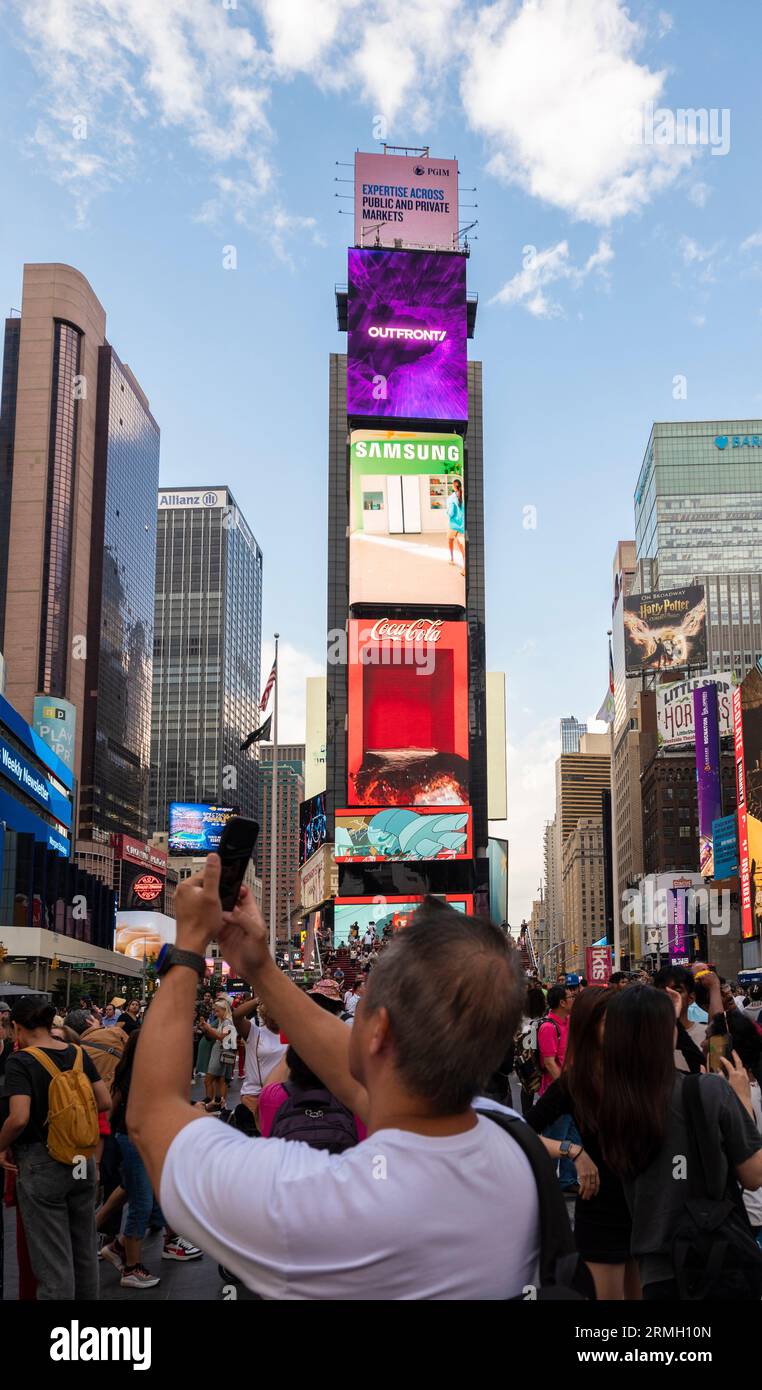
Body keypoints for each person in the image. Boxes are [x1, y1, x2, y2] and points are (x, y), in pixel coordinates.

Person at [127, 856, 544, 1299]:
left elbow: (152, 1116)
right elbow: (349, 1076)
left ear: (378, 1031)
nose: (345, 1024)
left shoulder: (318, 1201)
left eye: (358, 1010)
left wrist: (189, 943)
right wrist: (261, 969)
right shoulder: (513, 1148)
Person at [596, 985, 762, 1299]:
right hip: (714, 1260)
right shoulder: (709, 1091)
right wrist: (741, 1101)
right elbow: (754, 1174)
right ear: (665, 1034)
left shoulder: (612, 1106)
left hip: (656, 1273)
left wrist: (658, 1017)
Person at [527, 987, 639, 1300]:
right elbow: (520, 1132)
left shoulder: (641, 1074)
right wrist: (572, 1151)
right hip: (602, 1210)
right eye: (609, 1022)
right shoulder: (575, 1083)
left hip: (647, 1208)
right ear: (589, 1029)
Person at [0, 994, 111, 1300]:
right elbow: (104, 1101)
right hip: (81, 1160)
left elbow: (19, 1117)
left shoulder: (21, 1060)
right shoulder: (77, 1053)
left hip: (42, 1161)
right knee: (84, 1251)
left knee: (52, 1261)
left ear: (17, 1027)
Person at [101, 1032, 202, 1287]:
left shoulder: (136, 1071)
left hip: (139, 1139)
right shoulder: (143, 1073)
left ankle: (116, 1246)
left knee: (134, 1190)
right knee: (142, 1203)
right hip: (137, 1140)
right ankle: (131, 1269)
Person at [233, 996, 287, 1127]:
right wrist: (262, 997)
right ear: (264, 1014)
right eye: (271, 1013)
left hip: (284, 1095)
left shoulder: (290, 1033)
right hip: (255, 1096)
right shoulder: (254, 1032)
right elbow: (237, 1015)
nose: (275, 1017)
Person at [201, 997, 237, 1111]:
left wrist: (209, 1028)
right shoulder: (225, 1021)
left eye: (217, 1011)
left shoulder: (227, 1021)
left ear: (224, 1010)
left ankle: (213, 1101)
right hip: (222, 1052)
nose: (216, 1014)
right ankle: (218, 1103)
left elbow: (221, 1037)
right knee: (220, 1079)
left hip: (221, 1052)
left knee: (209, 1079)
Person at [446, 476, 465, 576]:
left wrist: (447, 512)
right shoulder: (464, 495)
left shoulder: (452, 498)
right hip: (462, 525)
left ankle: (452, 559)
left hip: (453, 525)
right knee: (462, 546)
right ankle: (465, 567)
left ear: (454, 486)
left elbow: (451, 513)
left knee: (450, 539)